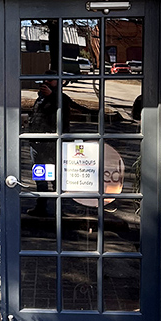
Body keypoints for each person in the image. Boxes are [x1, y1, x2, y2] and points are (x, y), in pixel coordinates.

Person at [26, 77, 94, 216]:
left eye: (50, 80)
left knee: (55, 177)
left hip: (51, 143)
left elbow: (72, 108)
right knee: (40, 176)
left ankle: (58, 208)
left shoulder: (60, 98)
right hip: (37, 142)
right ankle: (41, 206)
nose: (45, 83)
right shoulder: (41, 98)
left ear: (59, 82)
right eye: (44, 80)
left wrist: (51, 95)